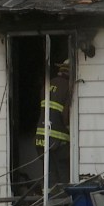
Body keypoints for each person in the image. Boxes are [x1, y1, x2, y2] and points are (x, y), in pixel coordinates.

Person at [35, 59, 72, 189]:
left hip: (41, 138)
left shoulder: (48, 85)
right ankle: (63, 204)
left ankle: (51, 201)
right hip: (58, 141)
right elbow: (66, 116)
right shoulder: (68, 87)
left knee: (49, 174)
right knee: (63, 175)